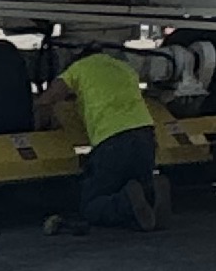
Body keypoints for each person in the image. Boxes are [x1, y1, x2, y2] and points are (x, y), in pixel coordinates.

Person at [42, 40, 164, 234]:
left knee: (91, 205)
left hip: (112, 140)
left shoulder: (79, 68)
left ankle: (126, 202)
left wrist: (43, 118)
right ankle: (151, 195)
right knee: (136, 181)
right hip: (145, 135)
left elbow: (49, 98)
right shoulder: (125, 68)